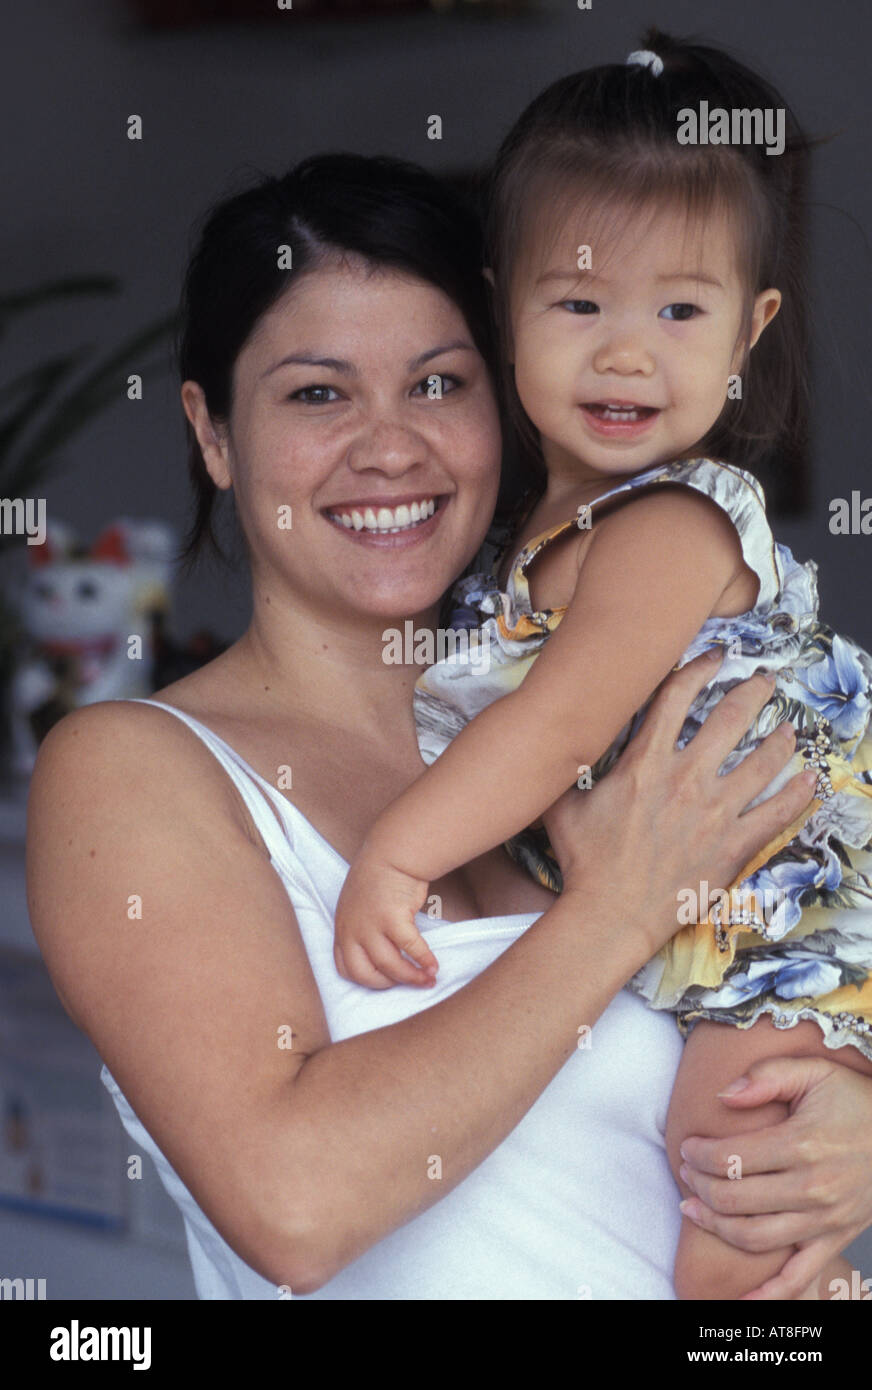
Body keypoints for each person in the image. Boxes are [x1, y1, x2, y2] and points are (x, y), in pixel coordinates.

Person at [26, 152, 872, 1301]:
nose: (389, 446)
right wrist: (616, 909)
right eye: (316, 392)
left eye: (437, 383)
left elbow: (805, 939)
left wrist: (845, 1133)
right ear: (213, 433)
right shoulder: (133, 772)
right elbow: (294, 1204)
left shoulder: (617, 705)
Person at [331, 35, 872, 1301]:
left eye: (678, 311)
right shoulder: (514, 551)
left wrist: (399, 853)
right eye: (577, 305)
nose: (625, 354)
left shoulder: (671, 524)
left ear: (751, 328)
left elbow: (559, 727)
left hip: (782, 921)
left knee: (728, 1233)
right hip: (693, 935)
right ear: (500, 303)